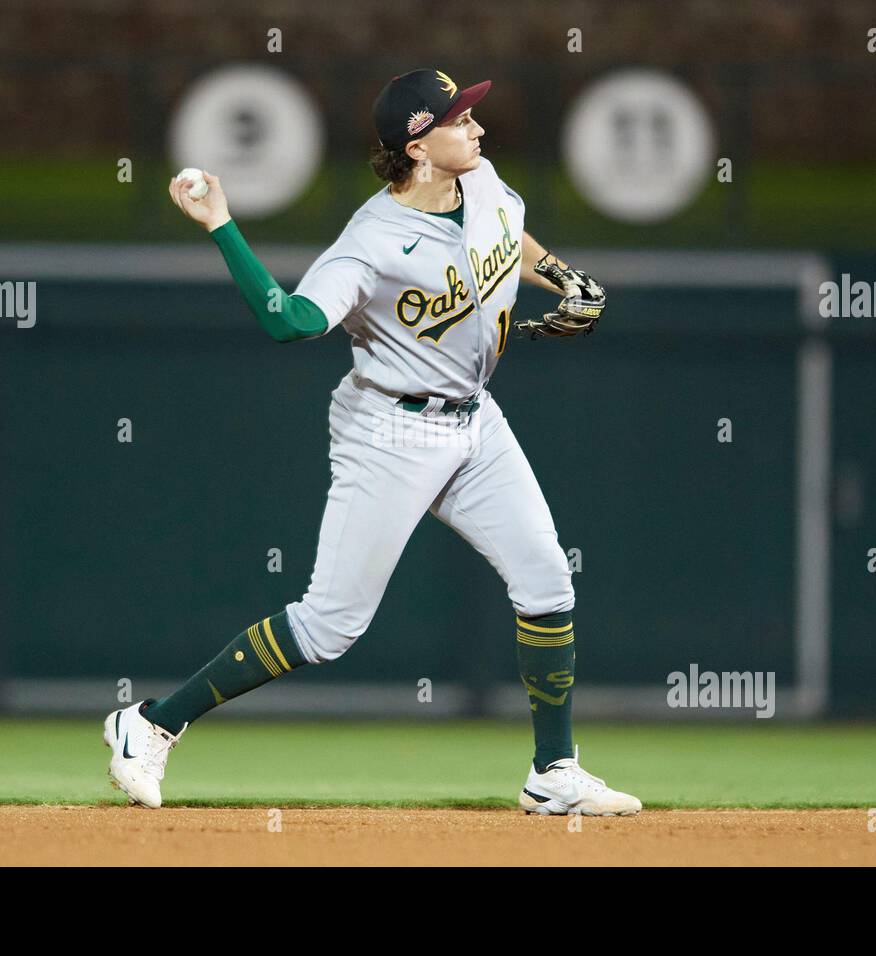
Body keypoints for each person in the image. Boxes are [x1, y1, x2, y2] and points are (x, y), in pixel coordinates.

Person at [103, 68, 640, 816]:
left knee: (547, 577)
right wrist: (223, 225)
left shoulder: (479, 180)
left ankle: (554, 771)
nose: (478, 129)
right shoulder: (371, 241)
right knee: (328, 626)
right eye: (459, 120)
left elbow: (509, 236)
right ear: (418, 145)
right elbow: (288, 320)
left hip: (475, 419)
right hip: (390, 427)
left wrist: (564, 275)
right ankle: (150, 725)